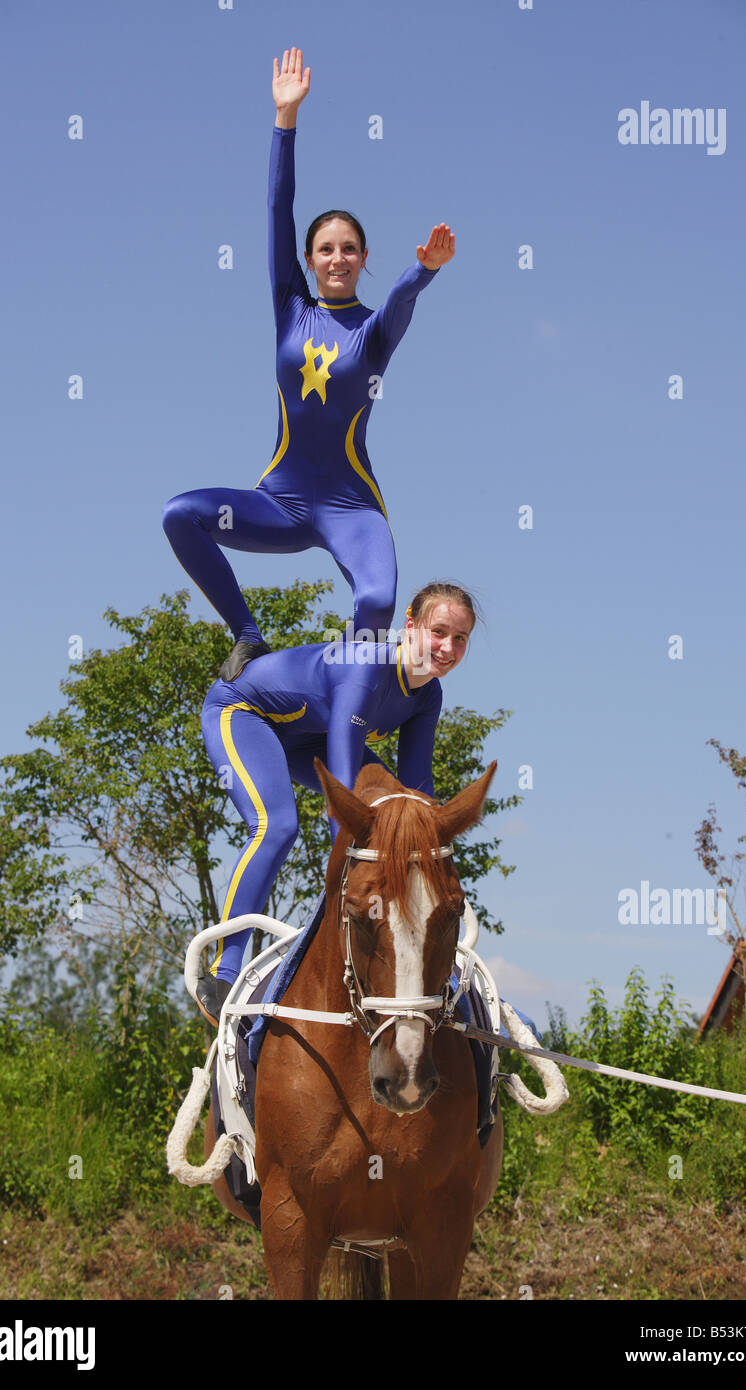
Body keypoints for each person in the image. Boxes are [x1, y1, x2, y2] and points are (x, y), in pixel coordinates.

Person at [163, 47, 455, 683]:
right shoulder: (289, 306)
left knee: (377, 603)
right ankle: (247, 636)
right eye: (326, 249)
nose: (337, 258)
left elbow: (402, 303)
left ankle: (340, 699)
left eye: (350, 249)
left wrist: (422, 271)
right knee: (179, 515)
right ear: (310, 257)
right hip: (284, 500)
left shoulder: (373, 332)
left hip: (352, 505)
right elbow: (277, 209)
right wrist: (284, 119)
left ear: (364, 257)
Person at [195, 582, 476, 1024]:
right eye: (438, 631)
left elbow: (417, 793)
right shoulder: (366, 666)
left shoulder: (428, 696)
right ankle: (224, 970)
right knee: (278, 826)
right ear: (409, 626)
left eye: (460, 638)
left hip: (308, 736)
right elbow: (344, 794)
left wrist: (430, 862)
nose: (448, 647)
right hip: (245, 715)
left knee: (395, 811)